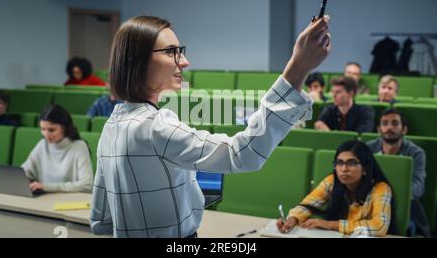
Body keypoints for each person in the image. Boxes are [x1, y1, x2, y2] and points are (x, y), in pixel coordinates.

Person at [90, 15, 331, 238]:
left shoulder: (113, 126)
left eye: (180, 51)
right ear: (138, 61)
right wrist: (298, 66)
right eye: (171, 52)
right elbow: (244, 153)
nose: (184, 61)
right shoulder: (155, 127)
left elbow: (101, 221)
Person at [277, 141, 395, 237]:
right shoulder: (331, 181)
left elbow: (379, 226)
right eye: (339, 163)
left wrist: (331, 225)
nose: (344, 169)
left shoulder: (381, 188)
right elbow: (308, 204)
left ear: (365, 168)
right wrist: (293, 219)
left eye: (351, 162)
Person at [366, 108, 431, 237]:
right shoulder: (367, 149)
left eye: (395, 123)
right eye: (385, 123)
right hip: (371, 205)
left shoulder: (416, 153)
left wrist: (391, 196)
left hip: (404, 207)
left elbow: (418, 186)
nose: (389, 127)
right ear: (379, 129)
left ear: (404, 129)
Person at [21, 104, 93, 193]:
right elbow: (25, 172)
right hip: (44, 199)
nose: (46, 134)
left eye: (51, 130)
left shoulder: (79, 146)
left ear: (65, 128)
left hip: (69, 202)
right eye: (43, 129)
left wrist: (47, 187)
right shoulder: (42, 144)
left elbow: (87, 184)